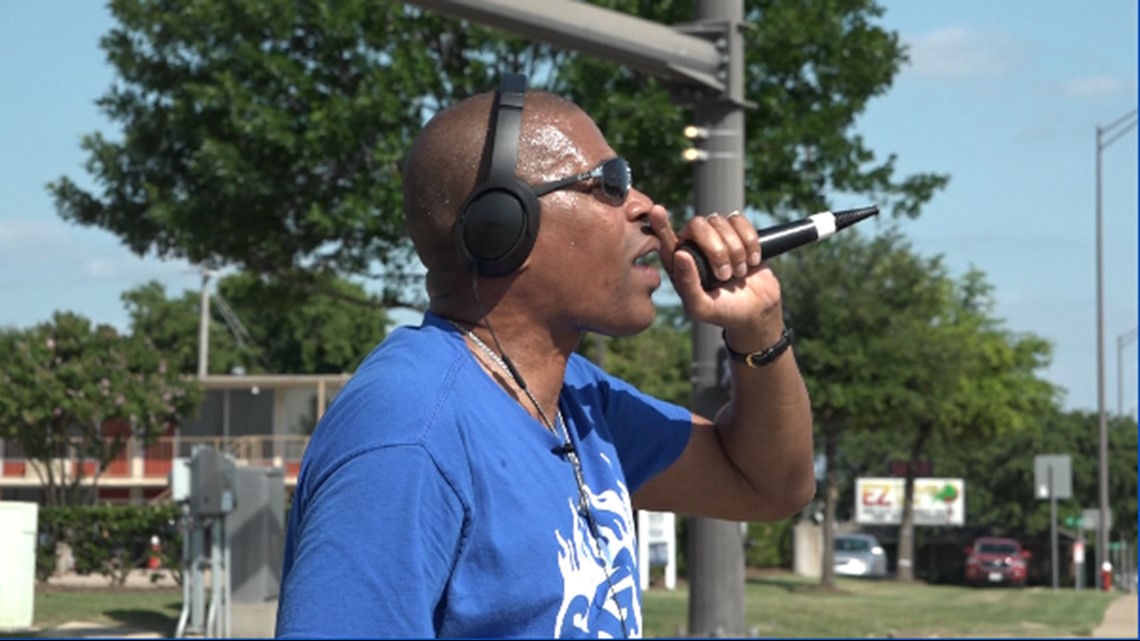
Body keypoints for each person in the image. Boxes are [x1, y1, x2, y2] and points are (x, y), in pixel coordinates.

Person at [274, 73, 815, 639]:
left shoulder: (576, 401)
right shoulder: (408, 432)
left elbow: (768, 484)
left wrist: (759, 327)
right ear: (502, 224)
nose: (647, 208)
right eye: (611, 183)